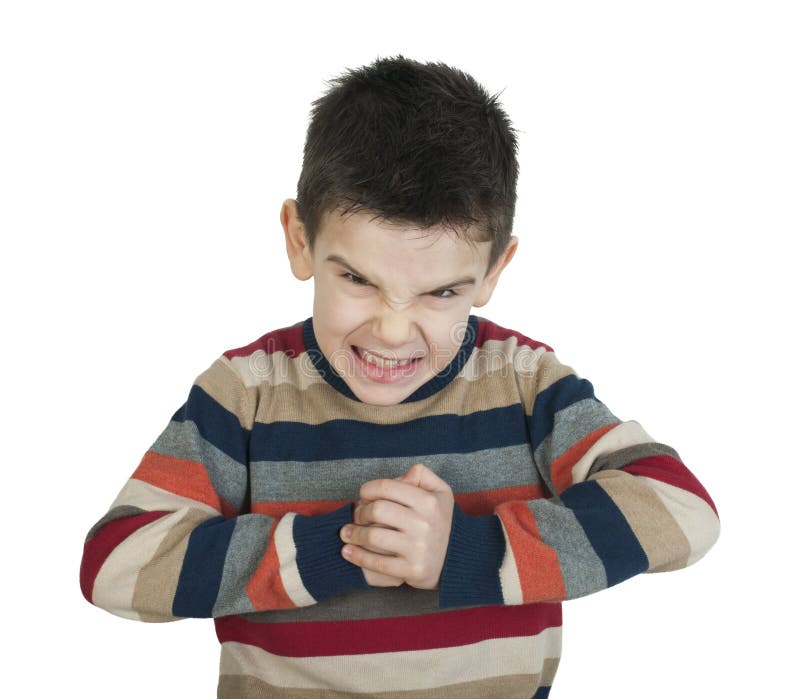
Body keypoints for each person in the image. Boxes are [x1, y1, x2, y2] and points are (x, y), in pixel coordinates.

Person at [79, 54, 720, 698]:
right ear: (299, 239)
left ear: (494, 271)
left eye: (440, 292)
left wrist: (465, 553)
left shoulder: (526, 384)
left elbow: (684, 513)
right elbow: (115, 564)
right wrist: (340, 545)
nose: (391, 329)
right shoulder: (246, 394)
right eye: (357, 279)